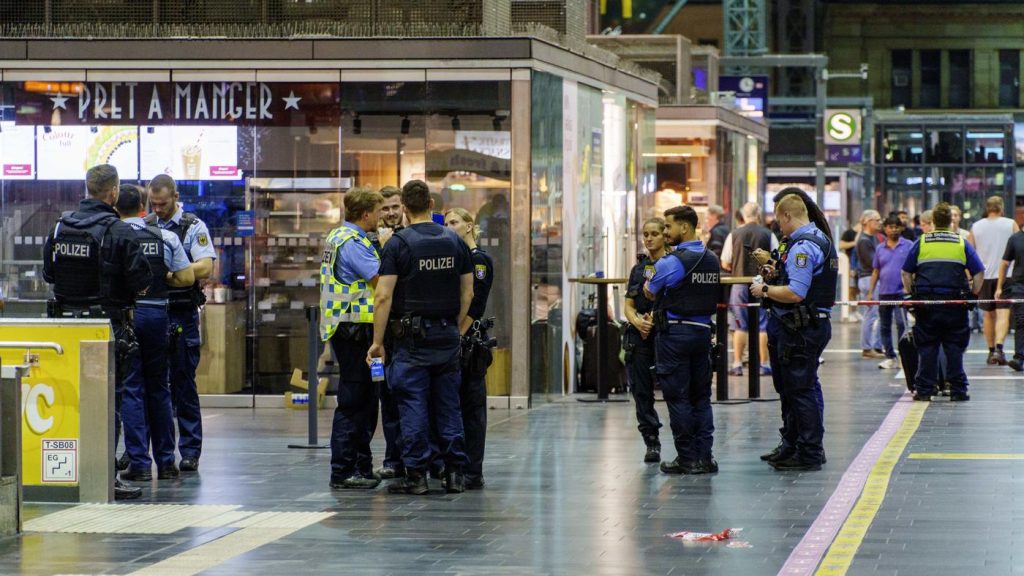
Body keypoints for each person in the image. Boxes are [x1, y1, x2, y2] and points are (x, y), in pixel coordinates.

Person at [42, 164, 153, 500]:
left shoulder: (61, 226)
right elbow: (142, 281)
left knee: (68, 401)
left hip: (64, 329)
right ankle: (105, 476)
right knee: (109, 402)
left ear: (88, 189)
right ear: (113, 192)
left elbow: (49, 274)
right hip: (106, 328)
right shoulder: (118, 231)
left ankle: (67, 471)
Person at [368, 180, 474, 495]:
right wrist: (454, 323)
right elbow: (468, 290)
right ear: (430, 203)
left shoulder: (398, 244)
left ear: (404, 208)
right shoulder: (453, 240)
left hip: (410, 339)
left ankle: (416, 476)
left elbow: (383, 297)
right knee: (448, 404)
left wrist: (378, 342)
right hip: (446, 334)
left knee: (412, 404)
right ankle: (455, 473)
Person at [752, 190, 837, 472]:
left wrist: (763, 289)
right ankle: (793, 444)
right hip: (797, 326)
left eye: (779, 219)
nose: (778, 226)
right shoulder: (815, 239)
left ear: (788, 215)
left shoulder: (802, 247)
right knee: (792, 389)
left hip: (799, 328)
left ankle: (809, 451)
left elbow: (795, 292)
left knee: (800, 390)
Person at [115, 185, 194, 482]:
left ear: (114, 207)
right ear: (142, 208)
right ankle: (167, 462)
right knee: (160, 388)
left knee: (133, 388)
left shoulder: (113, 235)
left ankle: (138, 463)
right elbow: (187, 277)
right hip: (159, 314)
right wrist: (164, 279)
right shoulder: (165, 236)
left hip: (129, 315)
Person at [146, 174, 217, 472]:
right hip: (151, 311)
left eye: (163, 204)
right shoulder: (145, 225)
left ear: (175, 196)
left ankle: (190, 450)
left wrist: (176, 270)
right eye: (154, 204)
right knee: (152, 384)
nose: (158, 209)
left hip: (181, 312)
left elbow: (206, 266)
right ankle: (150, 450)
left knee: (184, 383)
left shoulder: (192, 226)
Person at [643, 206, 720, 475]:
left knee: (678, 398)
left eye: (668, 226)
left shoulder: (672, 262)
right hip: (702, 334)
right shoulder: (711, 259)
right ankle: (705, 457)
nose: (665, 232)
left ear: (684, 227)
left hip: (675, 335)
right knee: (701, 397)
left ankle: (687, 458)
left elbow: (650, 290)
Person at [320, 187, 385, 489]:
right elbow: (380, 282)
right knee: (355, 400)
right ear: (366, 213)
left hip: (347, 326)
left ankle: (359, 466)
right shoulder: (353, 243)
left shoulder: (338, 236)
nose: (382, 215)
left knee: (364, 399)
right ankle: (344, 470)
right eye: (379, 210)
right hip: (355, 328)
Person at [902, 202, 984, 401]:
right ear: (950, 221)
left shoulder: (921, 242)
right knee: (954, 348)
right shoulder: (960, 242)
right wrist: (973, 295)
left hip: (927, 305)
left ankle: (924, 390)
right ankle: (957, 390)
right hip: (954, 305)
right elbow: (979, 272)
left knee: (928, 348)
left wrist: (912, 293)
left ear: (933, 221)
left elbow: (906, 272)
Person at [445, 207, 494, 489]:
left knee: (473, 409)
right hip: (452, 339)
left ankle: (473, 470)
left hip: (470, 342)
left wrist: (459, 333)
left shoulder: (479, 260)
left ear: (469, 226)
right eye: (446, 222)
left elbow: (476, 301)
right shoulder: (454, 259)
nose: (449, 227)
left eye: (455, 222)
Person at [623, 217, 666, 463]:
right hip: (640, 335)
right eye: (645, 234)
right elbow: (628, 303)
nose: (649, 238)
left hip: (664, 334)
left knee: (673, 388)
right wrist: (637, 321)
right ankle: (651, 441)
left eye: (654, 234)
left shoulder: (672, 264)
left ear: (664, 236)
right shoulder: (639, 269)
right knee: (641, 392)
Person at [721, 202, 778, 376]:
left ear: (743, 216)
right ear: (759, 215)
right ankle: (764, 364)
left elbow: (725, 261)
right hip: (761, 283)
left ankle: (737, 363)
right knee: (763, 325)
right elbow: (776, 261)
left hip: (738, 283)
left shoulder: (734, 234)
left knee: (739, 324)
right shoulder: (769, 234)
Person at [372, 184, 405, 480]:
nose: (391, 213)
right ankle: (394, 459)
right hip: (384, 330)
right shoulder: (371, 240)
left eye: (395, 206)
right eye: (385, 208)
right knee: (388, 396)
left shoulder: (414, 236)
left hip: (410, 327)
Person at [969, 195, 1019, 365]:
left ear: (987, 208)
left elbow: (970, 253)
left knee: (988, 315)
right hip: (1007, 275)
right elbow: (1020, 246)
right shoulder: (1011, 223)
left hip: (985, 276)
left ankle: (991, 351)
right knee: (1003, 313)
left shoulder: (976, 227)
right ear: (1001, 207)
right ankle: (999, 348)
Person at [868, 215, 913, 369]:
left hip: (902, 293)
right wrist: (870, 292)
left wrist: (911, 289)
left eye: (896, 226)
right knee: (885, 326)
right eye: (890, 227)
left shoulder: (909, 245)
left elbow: (913, 270)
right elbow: (876, 271)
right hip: (884, 293)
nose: (893, 229)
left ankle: (903, 356)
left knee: (902, 324)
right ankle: (890, 356)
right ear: (885, 229)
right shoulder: (880, 248)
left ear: (901, 228)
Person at [856, 210, 884, 358]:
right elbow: (874, 263)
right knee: (871, 314)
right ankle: (867, 347)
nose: (879, 223)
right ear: (867, 221)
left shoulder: (872, 239)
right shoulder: (864, 241)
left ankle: (876, 345)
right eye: (876, 220)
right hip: (868, 279)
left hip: (871, 279)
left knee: (875, 314)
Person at [997, 223, 1024, 372]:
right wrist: (999, 287)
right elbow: (1004, 263)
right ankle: (1019, 358)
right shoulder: (1015, 239)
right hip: (1020, 285)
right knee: (1021, 320)